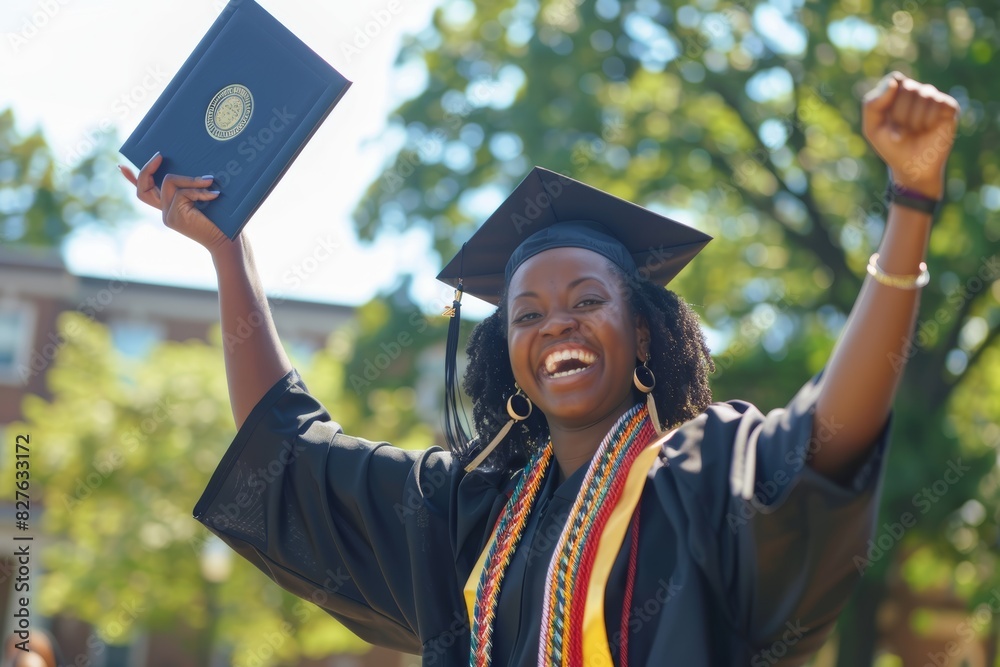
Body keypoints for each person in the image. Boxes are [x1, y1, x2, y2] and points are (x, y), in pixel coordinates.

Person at [120, 71, 958, 665]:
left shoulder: (699, 481)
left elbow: (827, 443)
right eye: (528, 313)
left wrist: (909, 210)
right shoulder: (466, 515)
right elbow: (290, 452)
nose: (557, 322)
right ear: (507, 357)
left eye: (587, 300)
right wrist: (230, 256)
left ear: (643, 335)